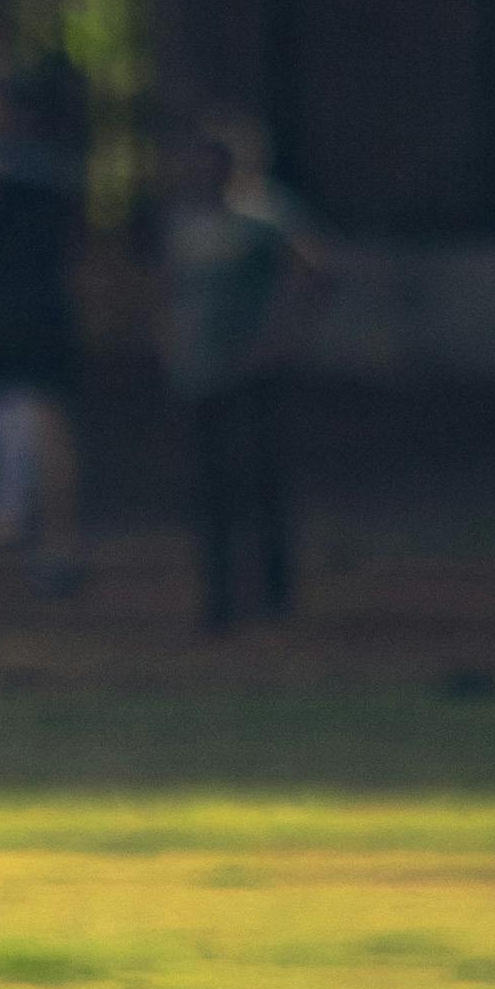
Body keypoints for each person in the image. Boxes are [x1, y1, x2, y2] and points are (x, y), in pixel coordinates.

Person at [158, 109, 328, 632]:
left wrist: (277, 337)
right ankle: (220, 600)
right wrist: (169, 344)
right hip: (200, 372)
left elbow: (312, 270)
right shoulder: (183, 221)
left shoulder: (267, 215)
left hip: (255, 371)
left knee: (262, 480)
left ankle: (274, 592)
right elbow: (168, 290)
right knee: (211, 487)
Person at [0, 66, 84, 588]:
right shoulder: (63, 172)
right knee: (47, 425)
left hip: (3, 316)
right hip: (49, 312)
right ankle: (57, 549)